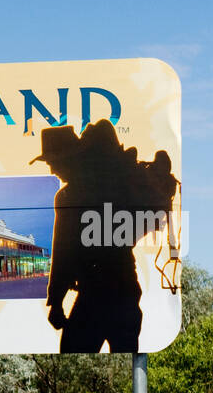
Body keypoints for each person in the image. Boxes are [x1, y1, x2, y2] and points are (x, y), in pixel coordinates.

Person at [35, 119, 176, 354]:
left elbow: (63, 253)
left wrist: (56, 301)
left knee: (73, 349)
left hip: (95, 294)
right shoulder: (116, 185)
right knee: (127, 361)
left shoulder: (69, 197)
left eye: (52, 162)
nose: (52, 169)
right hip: (127, 290)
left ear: (67, 158)